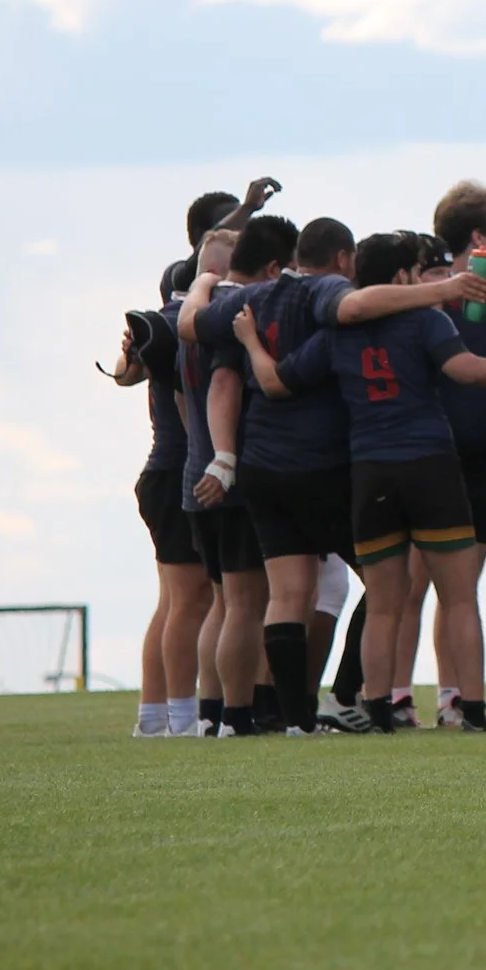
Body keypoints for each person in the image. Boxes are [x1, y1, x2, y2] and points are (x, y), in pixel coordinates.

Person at [234, 231, 486, 735]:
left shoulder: (335, 333)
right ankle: (471, 710)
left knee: (386, 603)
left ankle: (379, 709)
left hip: (370, 472)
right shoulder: (427, 320)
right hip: (430, 467)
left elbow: (277, 382)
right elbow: (467, 370)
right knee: (458, 598)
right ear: (405, 275)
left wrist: (252, 342)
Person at [187, 215, 356, 736]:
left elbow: (188, 325)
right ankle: (340, 699)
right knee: (393, 585)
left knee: (282, 595)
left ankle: (273, 716)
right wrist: (224, 458)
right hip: (307, 465)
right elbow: (233, 384)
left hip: (256, 465)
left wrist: (200, 283)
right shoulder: (320, 299)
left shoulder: (243, 305)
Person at [432, 181, 486, 727]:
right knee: (444, 586)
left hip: (483, 455)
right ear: (477, 237)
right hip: (442, 455)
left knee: (458, 586)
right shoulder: (430, 293)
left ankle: (449, 699)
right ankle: (446, 699)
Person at [109, 294, 207, 736]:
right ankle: (180, 717)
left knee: (173, 602)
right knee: (189, 601)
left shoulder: (160, 325)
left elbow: (121, 375)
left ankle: (153, 716)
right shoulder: (183, 322)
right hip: (175, 472)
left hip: (161, 474)